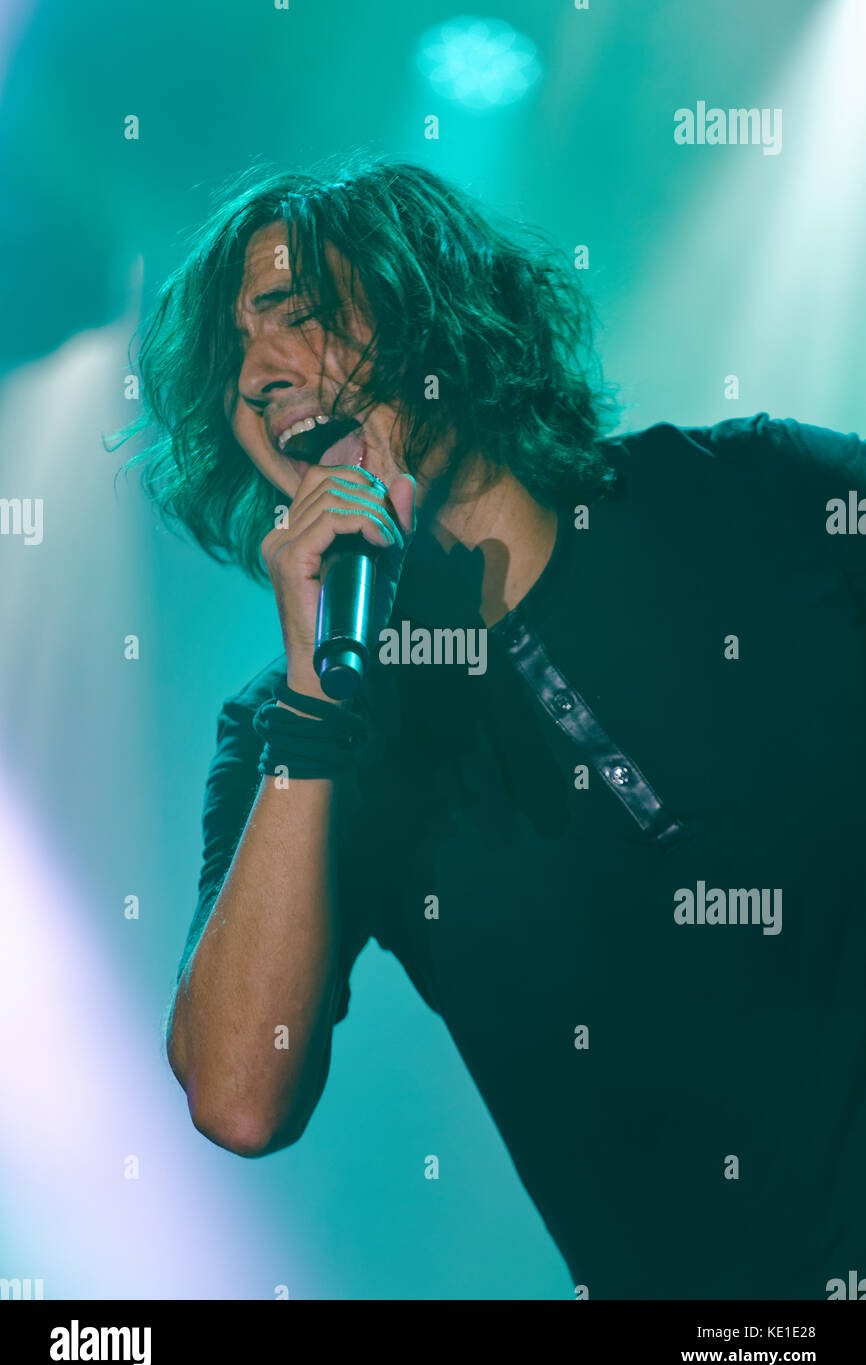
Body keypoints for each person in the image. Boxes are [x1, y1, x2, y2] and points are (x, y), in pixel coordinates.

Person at [115, 155, 866, 1300]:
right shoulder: (300, 725)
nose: (263, 377)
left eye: (298, 317)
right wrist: (318, 705)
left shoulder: (751, 493)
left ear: (434, 308)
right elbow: (236, 1094)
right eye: (234, 365)